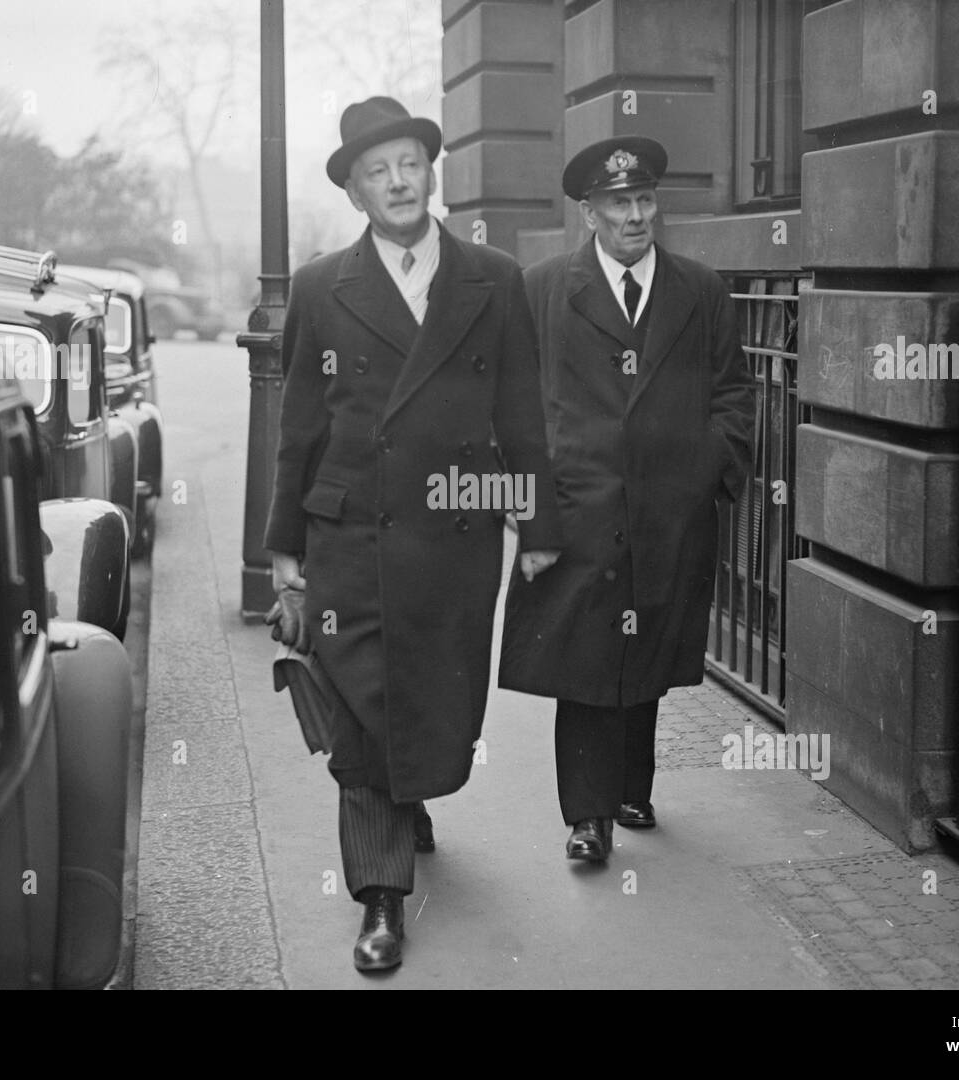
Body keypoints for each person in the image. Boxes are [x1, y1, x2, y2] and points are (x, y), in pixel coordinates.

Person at [265, 96, 562, 972]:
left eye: (407, 164)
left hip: (454, 530)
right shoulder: (323, 286)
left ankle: (414, 791)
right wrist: (284, 548)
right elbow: (298, 426)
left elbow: (520, 409)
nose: (396, 182)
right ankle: (381, 898)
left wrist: (536, 521)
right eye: (375, 171)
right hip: (352, 529)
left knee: (436, 698)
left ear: (430, 173)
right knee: (360, 715)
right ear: (355, 192)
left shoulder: (493, 278)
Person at [499, 135, 756, 863]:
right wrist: (532, 507)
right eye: (619, 205)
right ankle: (586, 816)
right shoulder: (543, 288)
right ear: (589, 213)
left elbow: (734, 392)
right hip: (578, 511)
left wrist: (707, 467)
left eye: (645, 201)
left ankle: (629, 788)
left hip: (669, 510)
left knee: (645, 648)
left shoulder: (701, 290)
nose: (636, 216)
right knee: (585, 660)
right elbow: (512, 407)